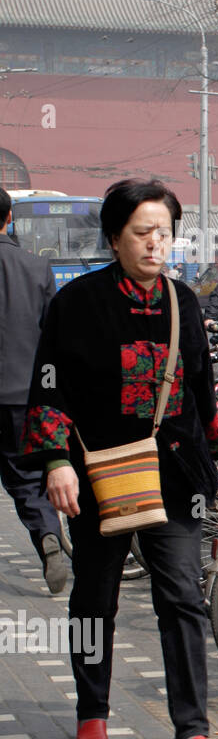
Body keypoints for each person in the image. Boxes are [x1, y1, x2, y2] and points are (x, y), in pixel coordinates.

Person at [22, 178, 218, 739]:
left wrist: (212, 451)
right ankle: (92, 711)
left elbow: (200, 387)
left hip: (174, 474)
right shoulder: (77, 304)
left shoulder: (181, 302)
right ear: (114, 237)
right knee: (95, 597)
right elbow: (49, 387)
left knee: (183, 598)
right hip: (100, 475)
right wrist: (57, 460)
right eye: (142, 233)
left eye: (164, 233)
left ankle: (191, 729)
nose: (155, 244)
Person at [0, 186, 68, 593]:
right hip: (22, 395)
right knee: (26, 478)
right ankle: (46, 532)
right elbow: (53, 337)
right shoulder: (36, 268)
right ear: (9, 219)